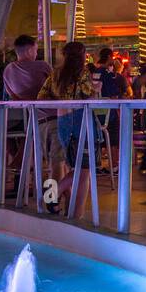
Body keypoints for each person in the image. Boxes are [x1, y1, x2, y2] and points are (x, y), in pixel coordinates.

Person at [38, 41, 98, 214]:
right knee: (83, 169)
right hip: (81, 121)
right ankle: (53, 194)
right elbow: (87, 96)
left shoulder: (55, 74)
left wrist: (61, 102)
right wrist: (95, 89)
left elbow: (41, 97)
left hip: (62, 121)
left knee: (69, 166)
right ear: (83, 55)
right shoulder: (83, 73)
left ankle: (70, 211)